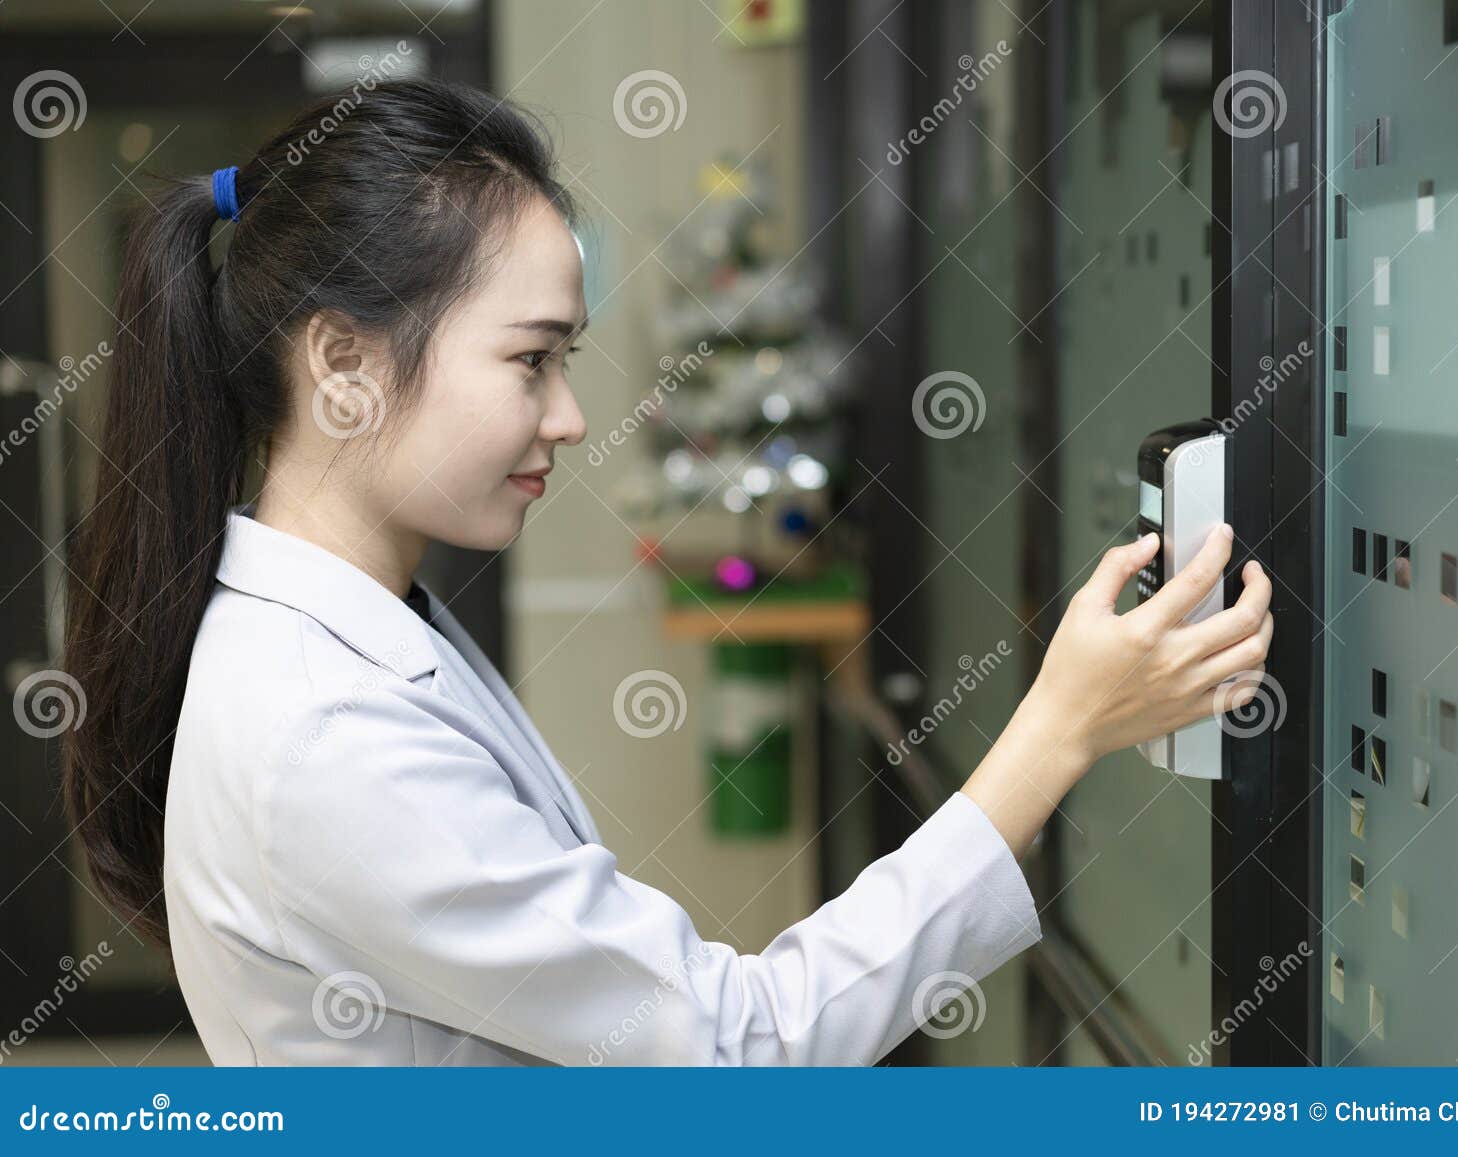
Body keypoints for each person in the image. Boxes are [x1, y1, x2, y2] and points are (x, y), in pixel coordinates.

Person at [62, 78, 1272, 1065]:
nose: (570, 416)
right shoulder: (323, 730)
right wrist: (1056, 729)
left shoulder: (357, 632)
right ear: (343, 363)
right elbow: (737, 1048)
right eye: (530, 360)